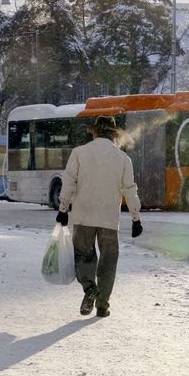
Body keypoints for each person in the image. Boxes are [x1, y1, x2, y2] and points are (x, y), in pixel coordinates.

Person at [56, 115, 143, 318]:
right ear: (114, 134)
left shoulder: (79, 153)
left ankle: (89, 289)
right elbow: (130, 190)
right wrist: (136, 218)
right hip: (109, 219)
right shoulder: (123, 159)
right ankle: (103, 304)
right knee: (108, 261)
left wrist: (62, 209)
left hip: (83, 215)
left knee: (84, 256)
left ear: (94, 132)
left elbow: (68, 182)